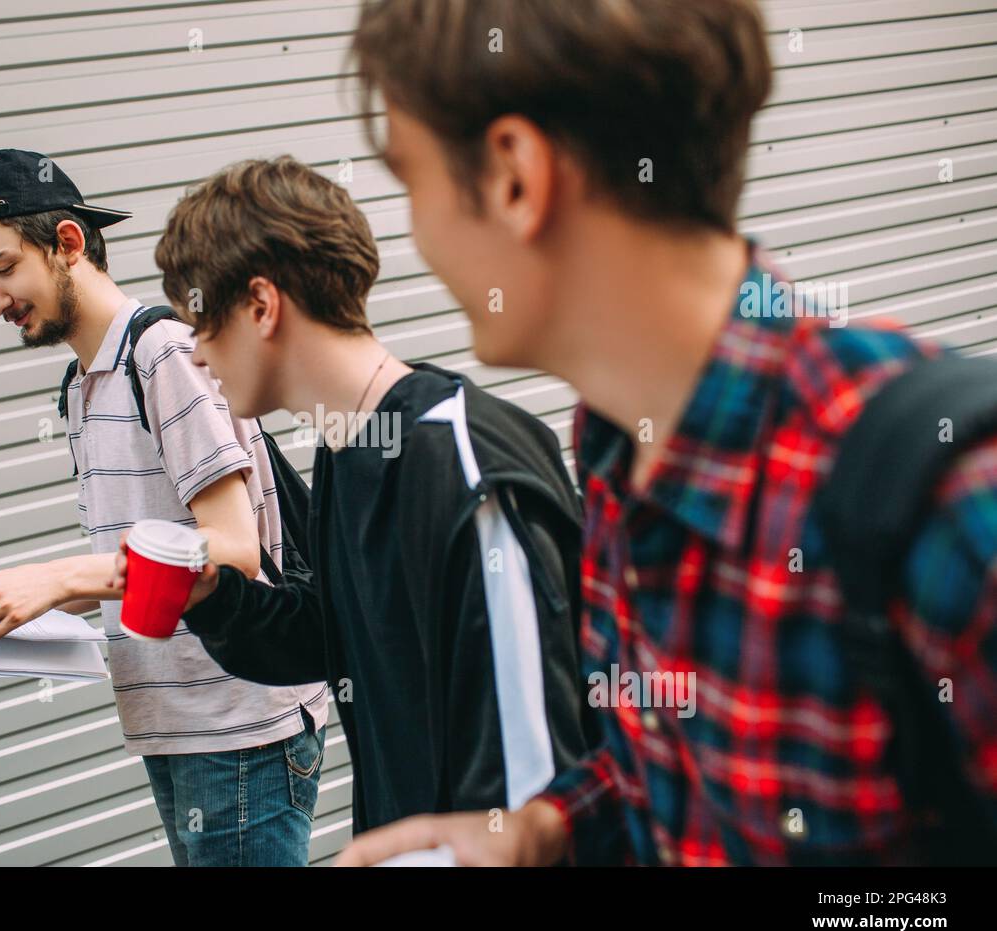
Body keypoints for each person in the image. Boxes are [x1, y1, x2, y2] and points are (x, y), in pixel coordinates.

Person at [335, 0, 997, 865]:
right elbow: (667, 763)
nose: (417, 236)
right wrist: (541, 829)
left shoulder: (951, 505)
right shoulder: (616, 446)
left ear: (514, 178)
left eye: (411, 183)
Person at [111, 155, 600, 837]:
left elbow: (530, 779)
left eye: (202, 327)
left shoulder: (458, 457)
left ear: (261, 306)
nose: (194, 355)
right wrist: (216, 599)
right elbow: (330, 637)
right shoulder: (346, 449)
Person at [0, 149, 329, 866]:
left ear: (68, 245)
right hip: (172, 722)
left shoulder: (163, 354)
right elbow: (142, 567)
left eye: (2, 268)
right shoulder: (83, 386)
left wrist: (61, 578)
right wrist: (13, 611)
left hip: (235, 727)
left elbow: (232, 550)